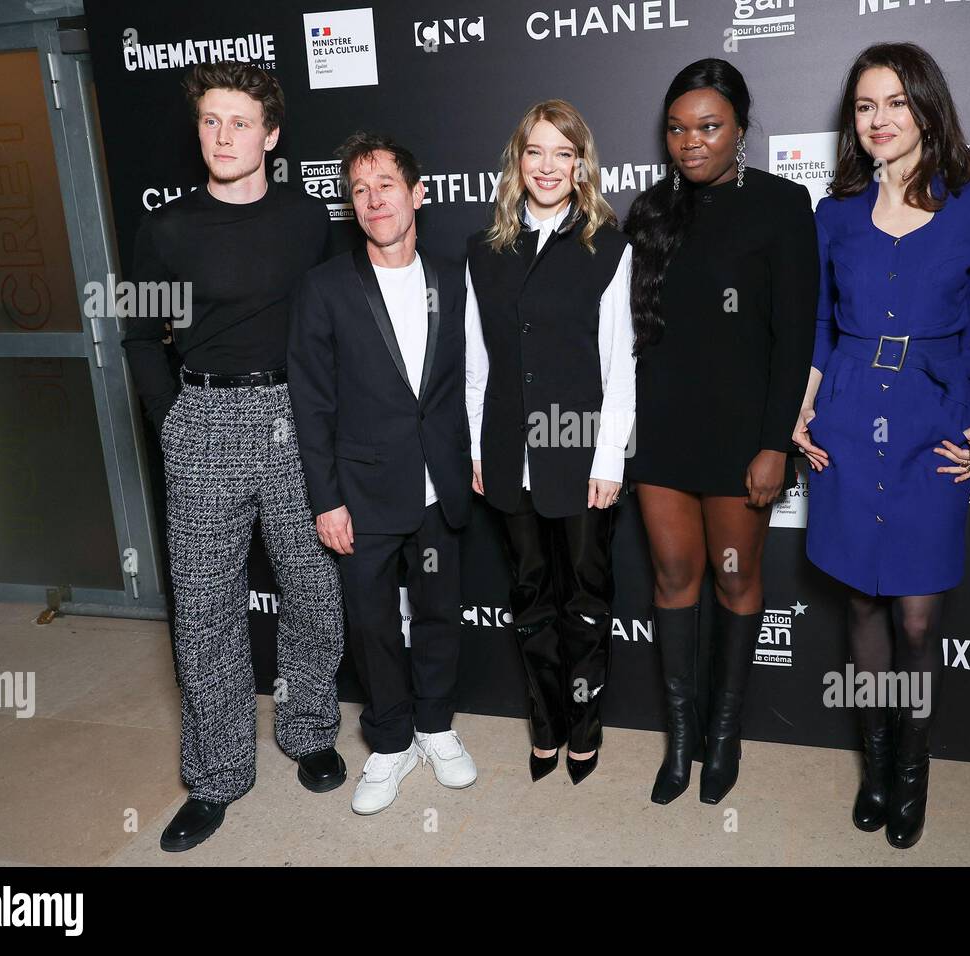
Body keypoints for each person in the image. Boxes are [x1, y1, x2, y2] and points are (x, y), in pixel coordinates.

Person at [121, 62, 345, 853]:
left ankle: (309, 728)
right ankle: (216, 777)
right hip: (202, 416)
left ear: (271, 135)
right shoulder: (165, 227)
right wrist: (173, 419)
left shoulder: (308, 220)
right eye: (211, 121)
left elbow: (332, 326)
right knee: (206, 612)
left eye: (240, 122)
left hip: (292, 416)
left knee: (315, 587)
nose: (223, 136)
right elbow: (139, 334)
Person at [792, 42, 970, 849]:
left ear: (925, 105)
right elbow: (820, 323)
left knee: (918, 619)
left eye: (893, 102)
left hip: (933, 418)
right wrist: (803, 407)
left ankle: (913, 771)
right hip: (849, 411)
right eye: (863, 106)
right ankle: (875, 767)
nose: (878, 120)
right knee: (859, 601)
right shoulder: (836, 211)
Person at [625, 59, 819, 805]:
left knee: (736, 577)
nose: (690, 142)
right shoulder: (650, 212)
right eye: (677, 129)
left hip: (744, 436)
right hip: (664, 434)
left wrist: (775, 441)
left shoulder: (780, 204)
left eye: (708, 127)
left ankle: (724, 739)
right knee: (675, 578)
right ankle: (682, 741)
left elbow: (794, 334)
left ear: (740, 127)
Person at [287, 133, 476, 816]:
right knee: (372, 624)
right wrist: (326, 499)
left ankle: (435, 727)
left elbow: (470, 382)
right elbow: (310, 402)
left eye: (386, 184)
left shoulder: (453, 278)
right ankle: (391, 742)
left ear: (417, 193)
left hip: (439, 485)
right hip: (362, 494)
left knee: (437, 615)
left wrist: (473, 459)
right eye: (360, 190)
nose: (374, 200)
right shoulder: (325, 288)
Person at [465, 100, 635, 786]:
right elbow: (478, 360)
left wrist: (608, 457)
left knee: (586, 602)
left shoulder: (608, 247)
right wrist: (477, 448)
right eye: (535, 151)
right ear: (518, 161)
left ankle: (585, 725)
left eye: (562, 153)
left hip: (581, 456)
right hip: (509, 454)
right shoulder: (484, 252)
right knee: (531, 599)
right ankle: (546, 726)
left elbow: (619, 362)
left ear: (581, 165)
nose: (547, 166)